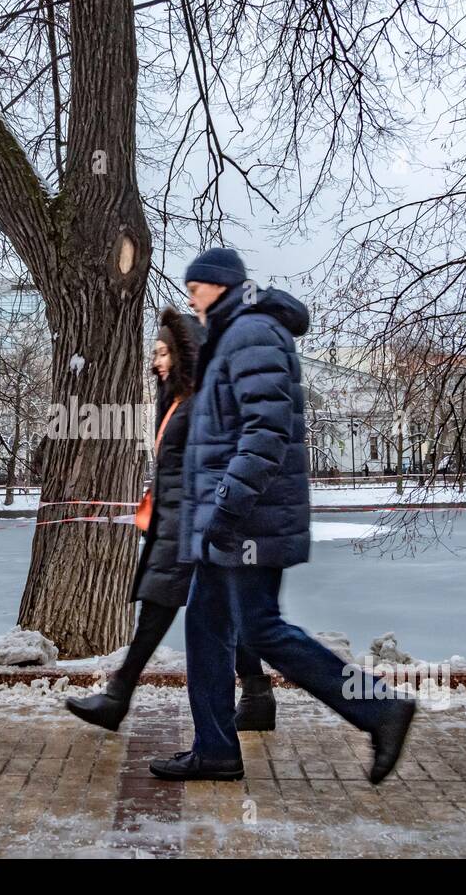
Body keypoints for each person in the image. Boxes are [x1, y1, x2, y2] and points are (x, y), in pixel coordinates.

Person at [149, 247, 417, 783]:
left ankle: (380, 708)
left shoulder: (251, 333)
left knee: (262, 628)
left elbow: (265, 434)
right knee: (206, 629)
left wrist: (225, 504)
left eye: (197, 289)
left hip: (249, 520)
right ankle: (216, 750)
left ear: (220, 287)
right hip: (230, 521)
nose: (191, 299)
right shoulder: (231, 335)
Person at [66, 308, 273, 732]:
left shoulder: (202, 403)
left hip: (190, 525)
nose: (156, 361)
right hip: (177, 521)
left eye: (163, 352)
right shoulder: (179, 399)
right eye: (155, 353)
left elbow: (214, 466)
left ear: (184, 352)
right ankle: (256, 695)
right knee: (227, 611)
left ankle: (118, 697)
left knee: (158, 609)